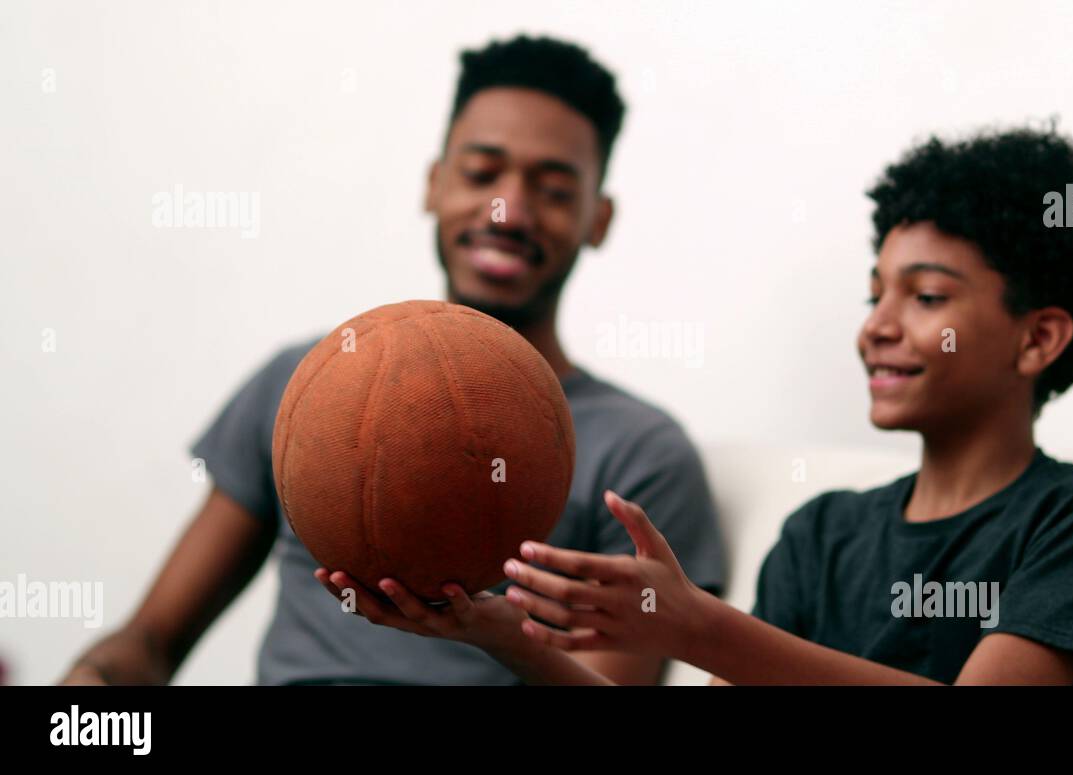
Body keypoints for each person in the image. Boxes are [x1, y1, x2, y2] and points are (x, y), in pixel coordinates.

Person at [327, 126, 1073, 685]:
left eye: (927, 297)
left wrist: (696, 625)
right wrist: (502, 635)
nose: (875, 326)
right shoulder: (821, 532)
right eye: (875, 293)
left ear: (1038, 340)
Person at [61, 35, 726, 686]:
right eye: (480, 173)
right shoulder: (309, 386)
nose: (508, 209)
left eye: (553, 190)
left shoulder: (641, 454)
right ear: (433, 185)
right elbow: (150, 639)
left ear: (598, 220)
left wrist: (504, 638)